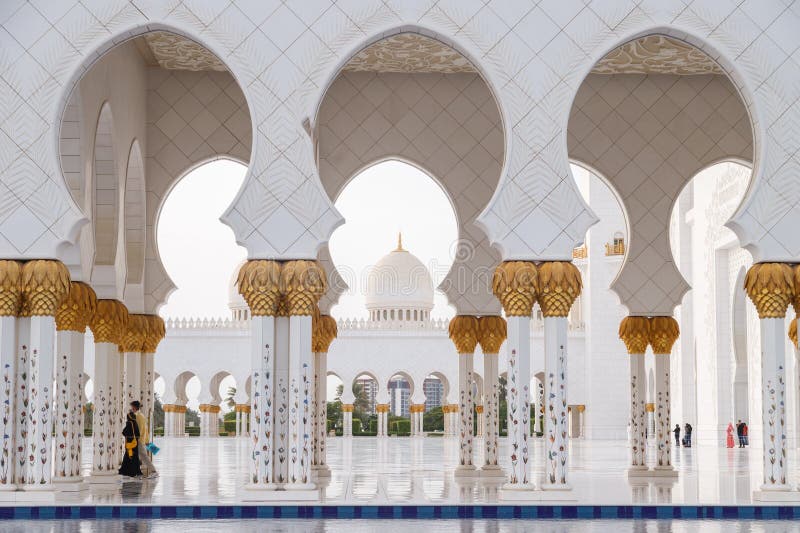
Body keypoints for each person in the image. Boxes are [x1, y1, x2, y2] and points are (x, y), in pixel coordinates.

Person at [130, 401, 158, 478]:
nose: (131, 409)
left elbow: (139, 429)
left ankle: (154, 471)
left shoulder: (138, 416)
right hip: (141, 439)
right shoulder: (141, 415)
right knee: (136, 456)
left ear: (134, 407)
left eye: (132, 407)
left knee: (144, 456)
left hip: (139, 440)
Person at [119, 411, 143, 477]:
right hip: (135, 442)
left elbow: (124, 432)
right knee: (135, 456)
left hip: (130, 442)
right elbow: (138, 434)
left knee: (129, 456)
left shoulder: (129, 423)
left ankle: (128, 471)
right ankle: (136, 471)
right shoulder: (135, 423)